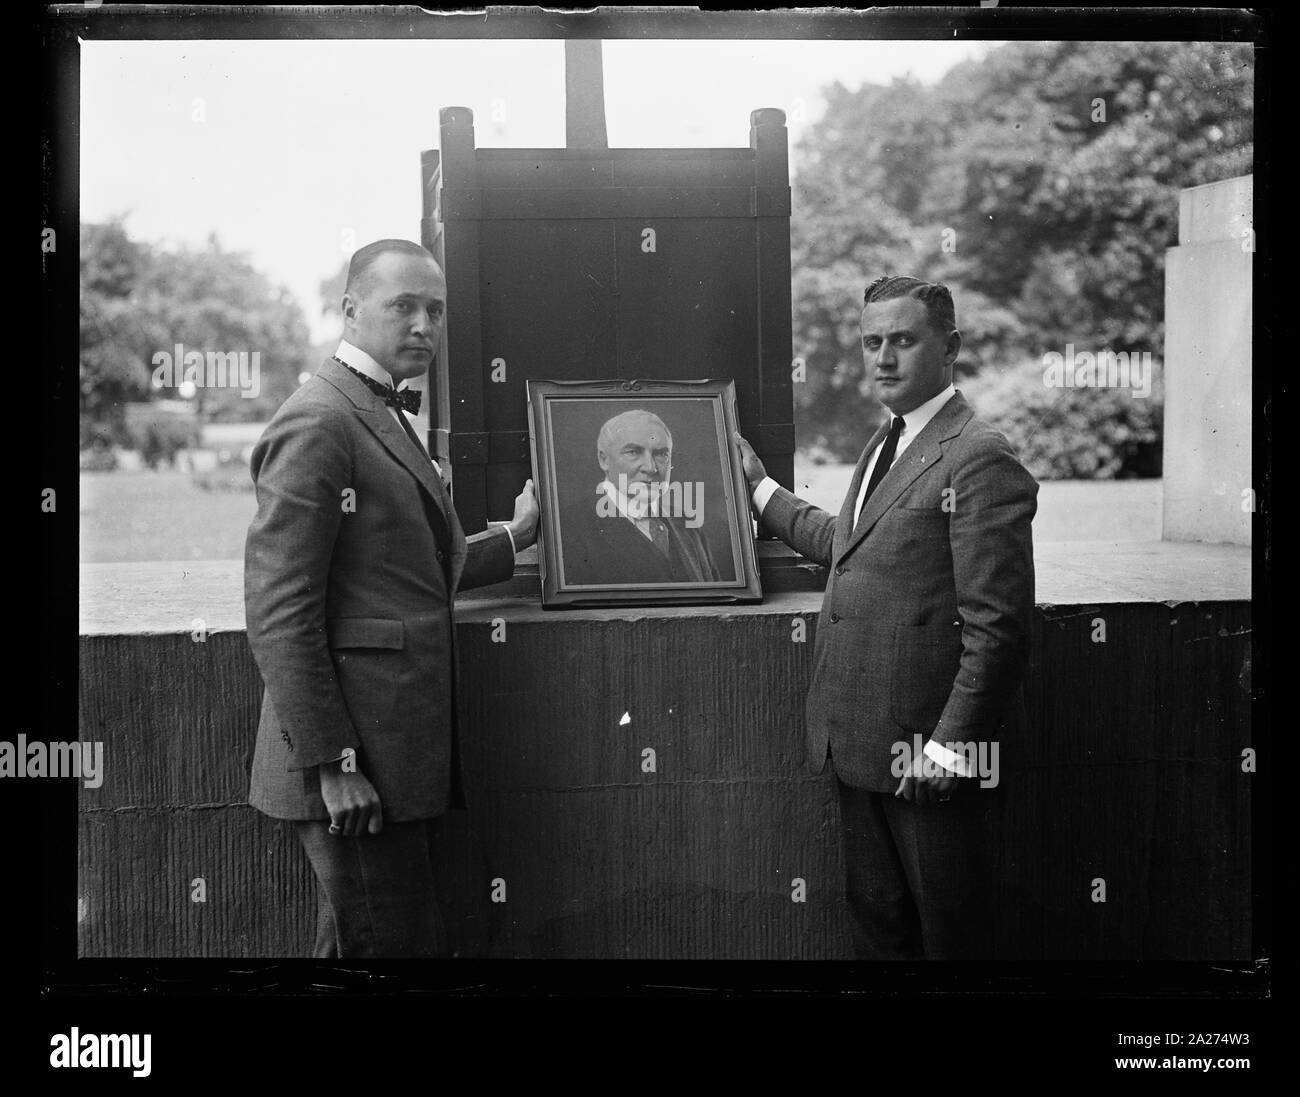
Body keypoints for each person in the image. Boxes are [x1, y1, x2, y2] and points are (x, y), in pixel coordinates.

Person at [244, 239, 539, 958]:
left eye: (434, 310)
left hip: (394, 763)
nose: (423, 326)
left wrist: (518, 534)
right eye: (401, 306)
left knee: (365, 945)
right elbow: (280, 609)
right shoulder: (320, 419)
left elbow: (414, 568)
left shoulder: (376, 413)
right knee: (396, 949)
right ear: (350, 310)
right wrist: (334, 764)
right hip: (355, 769)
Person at [735, 275, 1037, 960]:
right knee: (880, 938)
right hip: (858, 745)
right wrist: (759, 488)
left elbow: (1000, 628)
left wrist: (950, 748)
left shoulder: (979, 454)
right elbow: (848, 541)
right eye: (873, 342)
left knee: (953, 941)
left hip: (926, 759)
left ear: (950, 347)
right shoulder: (886, 441)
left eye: (903, 340)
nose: (883, 358)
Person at [560, 409, 728, 585]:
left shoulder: (688, 524)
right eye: (633, 452)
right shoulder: (568, 529)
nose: (651, 467)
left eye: (661, 454)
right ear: (604, 460)